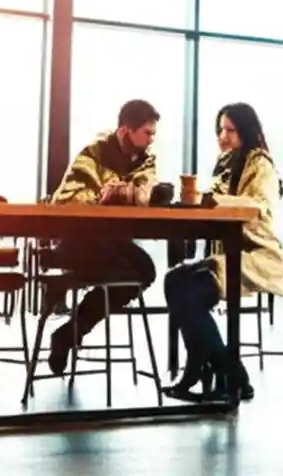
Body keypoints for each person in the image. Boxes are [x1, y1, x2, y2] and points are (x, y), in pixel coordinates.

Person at [162, 103, 283, 403]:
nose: (222, 136)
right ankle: (220, 371)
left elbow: (256, 207)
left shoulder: (260, 164)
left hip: (258, 256)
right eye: (220, 130)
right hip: (232, 255)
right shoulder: (226, 163)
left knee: (190, 292)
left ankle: (223, 373)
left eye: (230, 130)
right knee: (174, 280)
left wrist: (210, 201)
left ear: (246, 131)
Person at [46, 99, 161, 375]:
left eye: (153, 134)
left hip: (113, 242)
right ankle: (69, 334)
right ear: (125, 130)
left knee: (145, 271)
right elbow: (68, 199)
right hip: (76, 241)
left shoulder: (145, 161)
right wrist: (105, 198)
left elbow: (144, 193)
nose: (151, 140)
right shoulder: (93, 153)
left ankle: (70, 332)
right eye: (146, 133)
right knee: (125, 272)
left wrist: (123, 194)